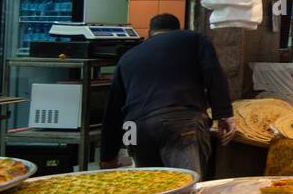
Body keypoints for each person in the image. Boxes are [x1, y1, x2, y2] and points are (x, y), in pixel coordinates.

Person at [100, 13, 235, 176]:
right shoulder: (193, 39)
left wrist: (108, 155)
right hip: (178, 120)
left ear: (150, 33)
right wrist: (224, 113)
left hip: (135, 128)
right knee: (186, 186)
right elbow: (213, 74)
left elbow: (113, 110)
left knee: (150, 189)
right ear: (179, 30)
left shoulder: (128, 57)